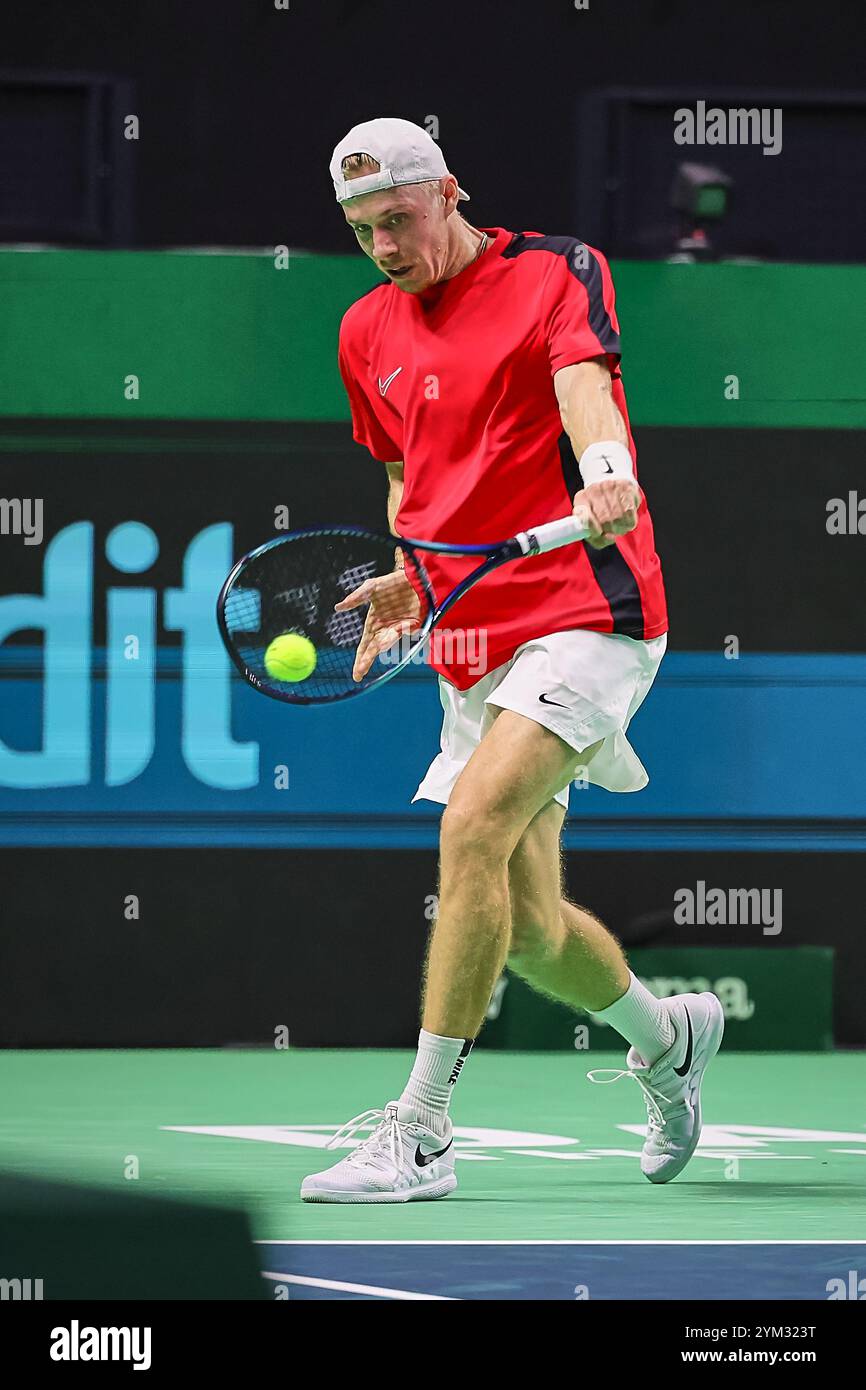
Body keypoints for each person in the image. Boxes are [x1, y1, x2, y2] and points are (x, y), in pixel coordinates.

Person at [301, 117, 723, 1204]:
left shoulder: (554, 269)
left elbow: (583, 383)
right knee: (529, 930)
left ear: (449, 190)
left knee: (470, 822)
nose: (385, 245)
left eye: (398, 218)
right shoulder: (362, 330)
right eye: (361, 231)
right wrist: (414, 575)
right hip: (469, 624)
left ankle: (422, 1132)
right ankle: (664, 1037)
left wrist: (603, 469)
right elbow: (406, 473)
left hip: (588, 603)